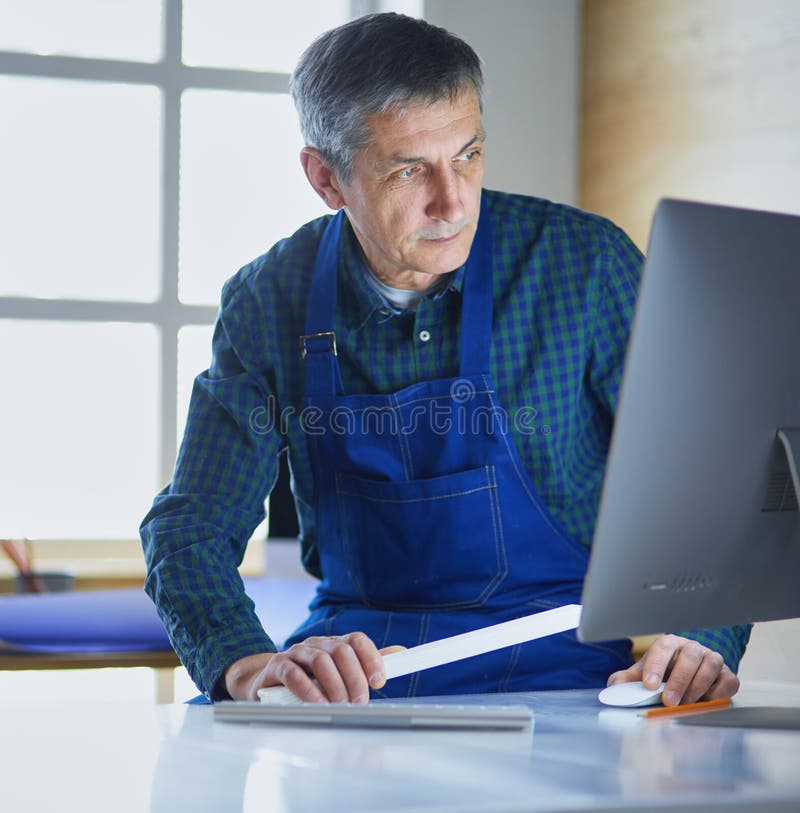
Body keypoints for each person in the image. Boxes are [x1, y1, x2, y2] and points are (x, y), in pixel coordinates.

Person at [140, 12, 749, 705]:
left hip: (562, 671)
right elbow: (191, 524)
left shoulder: (582, 265)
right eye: (408, 170)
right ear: (326, 178)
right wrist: (245, 664)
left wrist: (703, 638)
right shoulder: (267, 298)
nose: (453, 203)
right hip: (359, 677)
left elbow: (708, 477)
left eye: (468, 154)